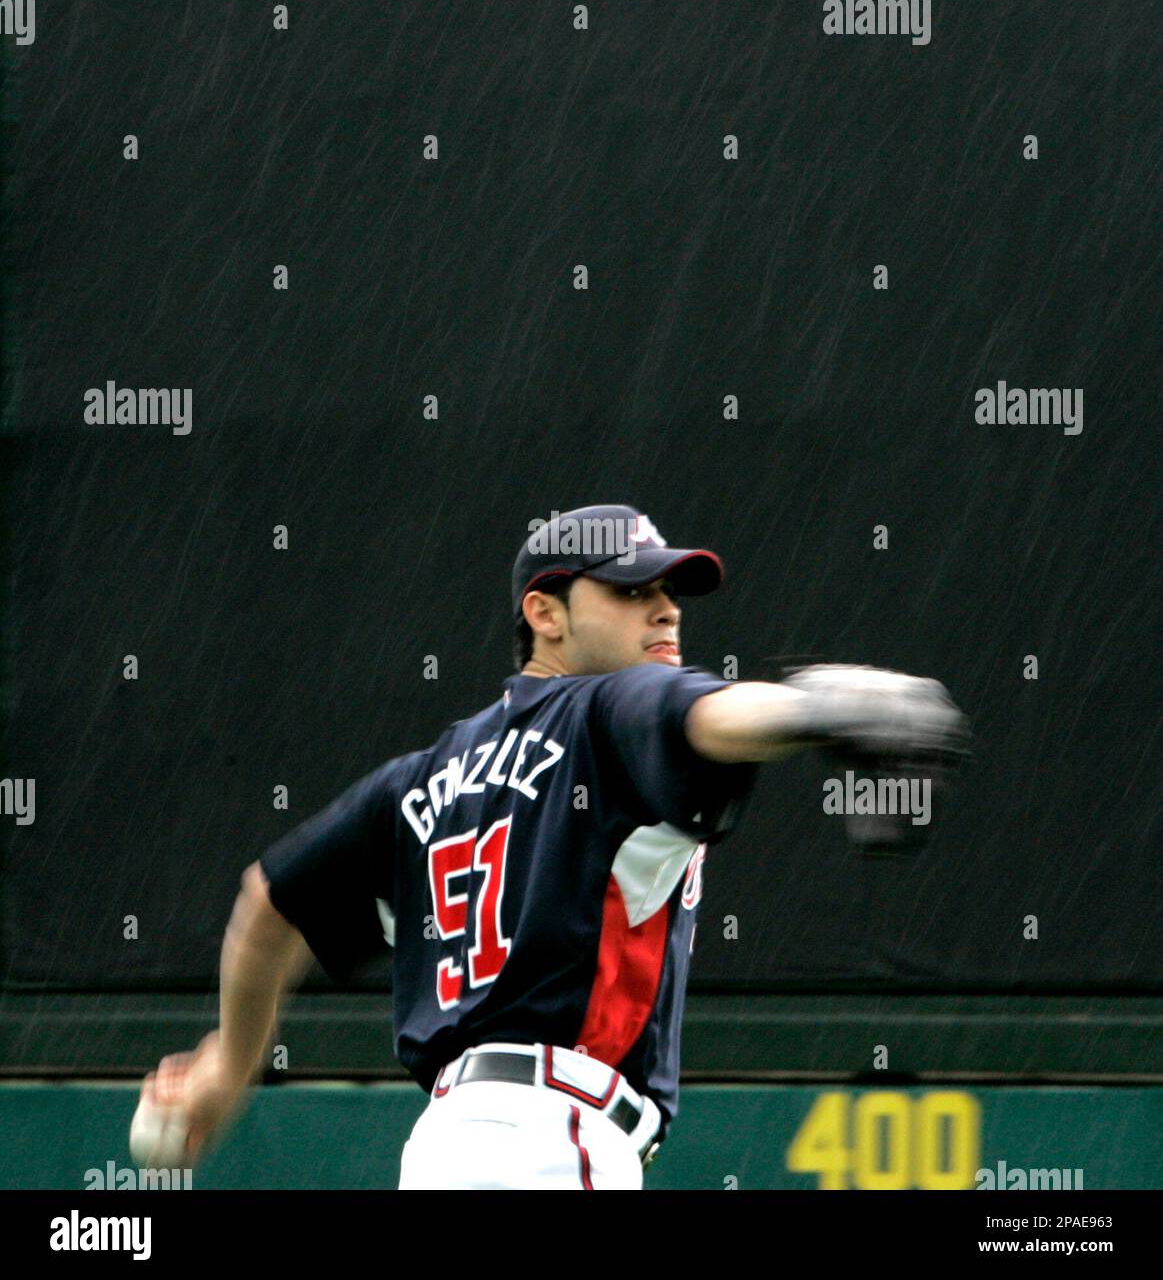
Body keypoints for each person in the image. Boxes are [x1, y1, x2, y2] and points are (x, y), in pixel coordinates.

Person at [135, 503, 968, 1189]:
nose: (666, 608)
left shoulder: (419, 780)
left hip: (445, 1150)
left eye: (670, 590)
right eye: (630, 589)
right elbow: (705, 717)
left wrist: (225, 1066)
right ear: (544, 613)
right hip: (551, 1141)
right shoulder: (609, 710)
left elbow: (269, 905)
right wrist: (821, 709)